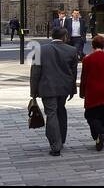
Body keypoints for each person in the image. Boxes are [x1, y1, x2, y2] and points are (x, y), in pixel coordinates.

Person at [29, 25, 79, 156]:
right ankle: (61, 139)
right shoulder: (72, 50)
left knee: (51, 113)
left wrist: (33, 92)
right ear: (65, 37)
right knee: (61, 110)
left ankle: (55, 145)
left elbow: (35, 72)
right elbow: (73, 73)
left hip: (47, 87)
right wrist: (72, 90)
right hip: (64, 87)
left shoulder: (40, 50)